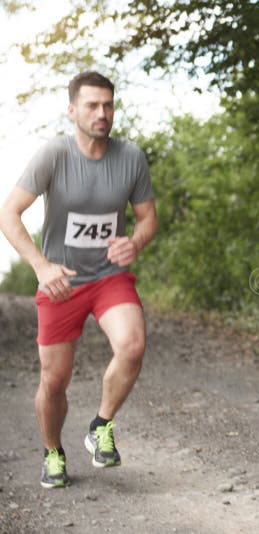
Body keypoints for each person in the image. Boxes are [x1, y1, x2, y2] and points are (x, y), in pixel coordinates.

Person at [0, 71, 157, 488]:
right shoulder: (54, 155)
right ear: (72, 110)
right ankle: (53, 452)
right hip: (60, 281)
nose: (101, 113)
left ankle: (100, 426)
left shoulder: (131, 157)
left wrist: (135, 243)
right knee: (54, 381)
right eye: (91, 105)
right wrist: (41, 267)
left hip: (109, 276)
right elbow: (8, 213)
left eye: (107, 105)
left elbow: (147, 219)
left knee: (133, 344)